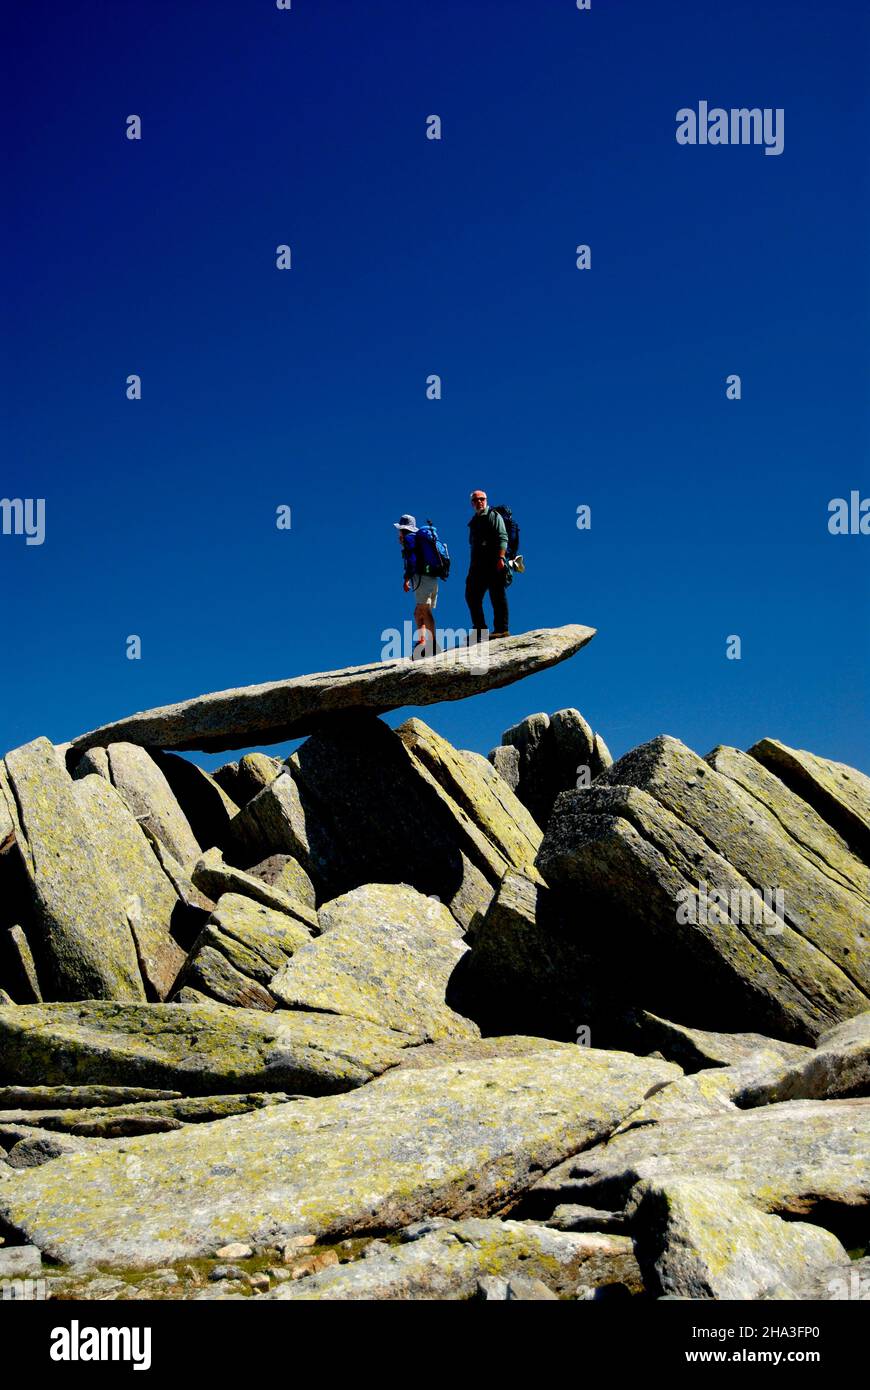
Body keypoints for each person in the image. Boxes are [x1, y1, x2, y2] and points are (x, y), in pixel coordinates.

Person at [465, 489, 509, 639]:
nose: (480, 502)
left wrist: (501, 558)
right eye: (476, 500)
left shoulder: (494, 516)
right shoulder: (474, 522)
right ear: (472, 503)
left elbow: (503, 537)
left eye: (482, 499)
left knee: (497, 595)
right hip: (477, 566)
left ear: (486, 500)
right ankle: (480, 630)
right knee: (471, 596)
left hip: (494, 562)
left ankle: (501, 629)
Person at [394, 513, 438, 656]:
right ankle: (423, 642)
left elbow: (412, 561)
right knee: (419, 611)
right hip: (431, 577)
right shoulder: (418, 538)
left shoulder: (409, 539)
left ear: (403, 529)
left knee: (423, 611)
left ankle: (431, 645)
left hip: (422, 578)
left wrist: (406, 579)